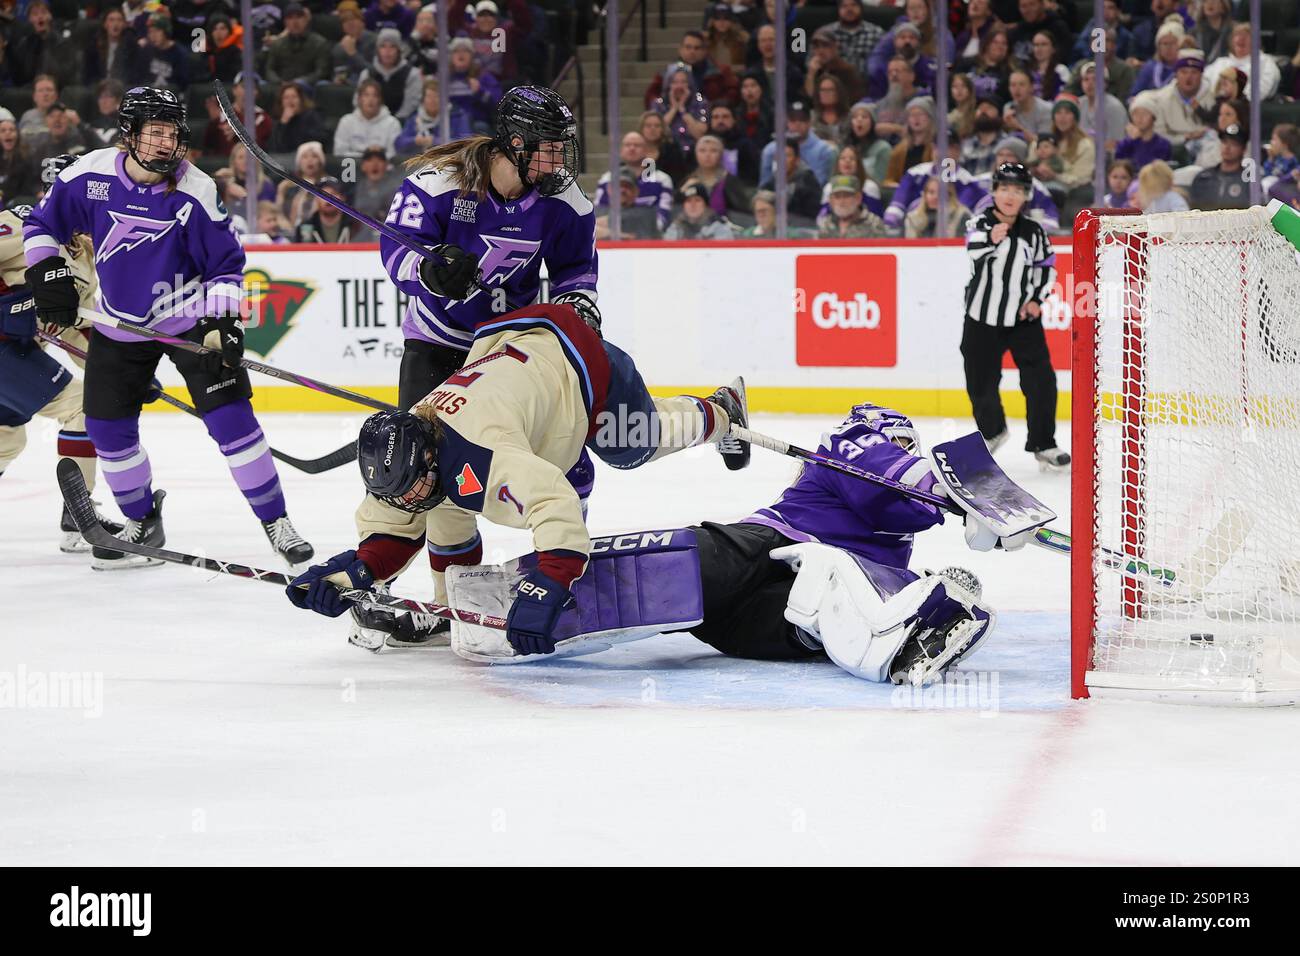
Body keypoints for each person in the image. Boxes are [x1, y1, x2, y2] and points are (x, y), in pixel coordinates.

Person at [388, 403, 999, 692]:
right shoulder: (854, 442)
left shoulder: (904, 525)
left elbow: (904, 500)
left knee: (827, 606)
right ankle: (490, 603)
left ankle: (911, 638)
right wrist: (963, 493)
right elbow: (897, 482)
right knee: (652, 579)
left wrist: (968, 514)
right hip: (761, 548)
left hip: (767, 608)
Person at [287, 297, 755, 661]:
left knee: (632, 444)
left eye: (412, 489)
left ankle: (720, 413)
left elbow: (555, 505)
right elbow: (392, 530)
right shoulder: (408, 454)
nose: (408, 500)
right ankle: (448, 604)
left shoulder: (482, 453)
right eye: (399, 493)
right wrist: (353, 572)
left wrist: (550, 581)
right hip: (521, 370)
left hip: (578, 365)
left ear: (431, 454)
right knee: (445, 508)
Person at [22, 89, 315, 569]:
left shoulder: (195, 190)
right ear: (130, 134)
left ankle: (276, 521)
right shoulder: (89, 176)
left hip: (188, 319)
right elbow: (40, 226)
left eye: (172, 132)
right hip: (118, 323)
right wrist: (49, 275)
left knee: (232, 421)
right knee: (107, 431)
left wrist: (221, 322)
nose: (165, 143)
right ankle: (143, 521)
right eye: (154, 131)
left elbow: (225, 265)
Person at [0, 159, 120, 553]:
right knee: (81, 406)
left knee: (6, 440)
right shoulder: (20, 225)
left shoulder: (86, 257)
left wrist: (114, 370)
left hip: (18, 354)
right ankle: (77, 514)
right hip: (5, 350)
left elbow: (77, 328)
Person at [960, 162, 1068, 470]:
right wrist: (991, 239)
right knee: (980, 381)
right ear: (994, 191)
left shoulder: (1034, 232)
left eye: (1018, 190)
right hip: (981, 317)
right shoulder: (978, 224)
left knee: (1041, 381)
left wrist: (1036, 300)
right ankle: (992, 431)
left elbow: (1047, 269)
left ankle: (1043, 443)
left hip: (1023, 320)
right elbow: (972, 250)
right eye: (1004, 188)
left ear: (1026, 196)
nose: (1010, 195)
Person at [593, 131, 675, 231]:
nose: (632, 148)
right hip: (612, 239)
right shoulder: (608, 178)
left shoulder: (661, 179)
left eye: (637, 145)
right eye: (627, 145)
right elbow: (597, 218)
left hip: (648, 240)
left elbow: (662, 220)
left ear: (646, 150)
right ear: (621, 150)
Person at [758, 101, 835, 189]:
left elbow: (819, 184)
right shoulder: (771, 150)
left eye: (802, 120)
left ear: (809, 122)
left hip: (809, 196)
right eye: (793, 120)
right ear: (787, 122)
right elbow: (764, 185)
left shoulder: (823, 150)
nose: (797, 124)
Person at [359, 28, 423, 123]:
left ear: (399, 50)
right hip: (370, 122)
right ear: (378, 50)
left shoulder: (412, 74)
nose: (387, 51)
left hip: (401, 123)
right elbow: (358, 102)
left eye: (392, 46)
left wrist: (391, 124)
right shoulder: (367, 74)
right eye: (383, 46)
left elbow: (410, 106)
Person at [682, 134, 753, 219]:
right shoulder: (689, 180)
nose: (707, 155)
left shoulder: (729, 181)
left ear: (721, 154)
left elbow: (743, 213)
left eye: (713, 151)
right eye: (702, 151)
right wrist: (682, 192)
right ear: (695, 154)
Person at [265, 2, 331, 87]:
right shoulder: (278, 44)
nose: (295, 22)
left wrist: (300, 82)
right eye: (290, 18)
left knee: (323, 84)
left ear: (305, 20)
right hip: (281, 88)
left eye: (299, 17)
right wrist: (279, 82)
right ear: (285, 22)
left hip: (308, 87)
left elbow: (322, 71)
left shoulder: (319, 43)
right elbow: (269, 70)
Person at [445, 37, 502, 135]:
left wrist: (480, 91)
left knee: (480, 127)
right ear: (451, 56)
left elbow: (498, 102)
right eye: (456, 51)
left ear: (472, 56)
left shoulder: (483, 76)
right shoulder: (443, 78)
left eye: (466, 51)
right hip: (448, 122)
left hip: (475, 123)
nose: (461, 54)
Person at [333, 78, 403, 158]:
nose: (371, 100)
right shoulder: (346, 121)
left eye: (375, 96)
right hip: (352, 167)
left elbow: (394, 154)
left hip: (382, 167)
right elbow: (339, 152)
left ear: (380, 100)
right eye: (366, 95)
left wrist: (377, 157)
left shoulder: (392, 123)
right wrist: (366, 156)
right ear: (359, 99)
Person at [1188, 123, 1250, 211]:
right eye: (1224, 142)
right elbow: (1193, 211)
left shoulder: (1249, 181)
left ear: (1244, 149)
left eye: (1234, 144)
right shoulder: (1203, 177)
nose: (1227, 147)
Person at [294, 177, 372, 242]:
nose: (328, 199)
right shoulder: (304, 227)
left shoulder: (356, 226)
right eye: (323, 194)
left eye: (333, 193)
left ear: (343, 198)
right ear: (316, 199)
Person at [594, 166, 661, 240]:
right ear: (609, 189)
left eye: (627, 186)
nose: (622, 190)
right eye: (618, 186)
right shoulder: (596, 211)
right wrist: (620, 235)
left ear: (636, 192)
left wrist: (598, 225)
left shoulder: (647, 214)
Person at [1115, 91, 1172, 171]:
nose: (1139, 118)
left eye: (1144, 114)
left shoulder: (1163, 145)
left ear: (1153, 117)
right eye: (1135, 114)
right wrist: (1131, 141)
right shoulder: (1124, 144)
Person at [267, 81, 328, 155]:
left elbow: (317, 140)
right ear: (281, 102)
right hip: (283, 159)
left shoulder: (312, 115)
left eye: (294, 97)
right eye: (286, 98)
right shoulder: (276, 119)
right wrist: (283, 123)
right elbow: (274, 147)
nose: (290, 101)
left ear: (301, 100)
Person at [816, 175, 886, 238]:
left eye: (846, 196)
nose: (842, 201)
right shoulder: (825, 224)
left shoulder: (874, 224)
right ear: (831, 200)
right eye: (837, 197)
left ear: (858, 198)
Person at [664, 181, 738, 240]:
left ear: (705, 205)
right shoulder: (676, 227)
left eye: (697, 200)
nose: (693, 205)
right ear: (683, 206)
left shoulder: (719, 227)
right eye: (689, 201)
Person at [905, 177, 972, 238]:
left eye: (940, 193)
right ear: (925, 195)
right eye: (931, 192)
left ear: (950, 195)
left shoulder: (962, 215)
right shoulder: (913, 218)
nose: (936, 197)